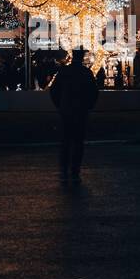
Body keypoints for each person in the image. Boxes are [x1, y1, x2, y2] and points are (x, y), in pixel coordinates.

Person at [49, 47, 99, 182]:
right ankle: (75, 170)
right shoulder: (86, 73)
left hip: (66, 111)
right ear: (82, 57)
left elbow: (53, 90)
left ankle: (64, 168)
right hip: (81, 111)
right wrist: (88, 106)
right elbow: (94, 92)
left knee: (65, 141)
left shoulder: (64, 71)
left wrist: (60, 105)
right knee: (78, 142)